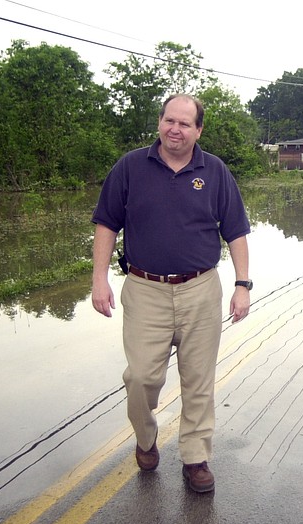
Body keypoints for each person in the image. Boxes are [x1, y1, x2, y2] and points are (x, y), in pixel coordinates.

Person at [91, 93, 251, 493]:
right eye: (169, 121)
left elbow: (236, 231)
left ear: (198, 130)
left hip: (200, 288)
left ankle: (195, 458)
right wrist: (98, 280)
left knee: (199, 380)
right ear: (160, 122)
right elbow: (107, 224)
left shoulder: (214, 171)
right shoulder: (130, 167)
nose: (175, 129)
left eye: (184, 123)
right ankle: (146, 440)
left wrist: (242, 285)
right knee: (141, 377)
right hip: (145, 289)